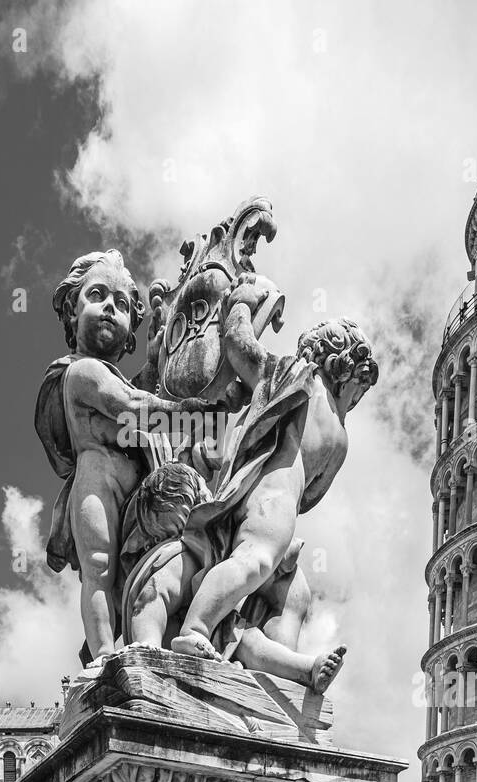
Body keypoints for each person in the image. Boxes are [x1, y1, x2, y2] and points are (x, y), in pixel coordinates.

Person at [169, 281, 379, 660]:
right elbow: (240, 345)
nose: (358, 396)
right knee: (257, 561)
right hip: (273, 496)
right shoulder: (303, 380)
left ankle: (276, 671)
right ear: (343, 367)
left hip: (284, 505)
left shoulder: (335, 429)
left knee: (293, 594)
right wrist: (244, 303)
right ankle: (194, 629)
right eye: (359, 384)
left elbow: (312, 494)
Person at [34, 250, 218, 666]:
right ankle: (102, 658)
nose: (109, 309)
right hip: (96, 483)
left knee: (126, 575)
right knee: (99, 571)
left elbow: (147, 390)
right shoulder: (81, 373)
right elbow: (134, 406)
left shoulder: (118, 374)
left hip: (135, 490)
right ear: (70, 309)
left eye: (120, 305)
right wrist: (201, 414)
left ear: (130, 329)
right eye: (97, 296)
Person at [121, 462, 346, 693]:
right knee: (249, 642)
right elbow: (151, 600)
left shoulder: (213, 552)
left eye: (177, 528)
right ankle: (305, 669)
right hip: (180, 643)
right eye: (168, 534)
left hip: (222, 634)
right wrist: (148, 646)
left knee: (252, 642)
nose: (175, 537)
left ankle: (308, 669)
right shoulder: (181, 555)